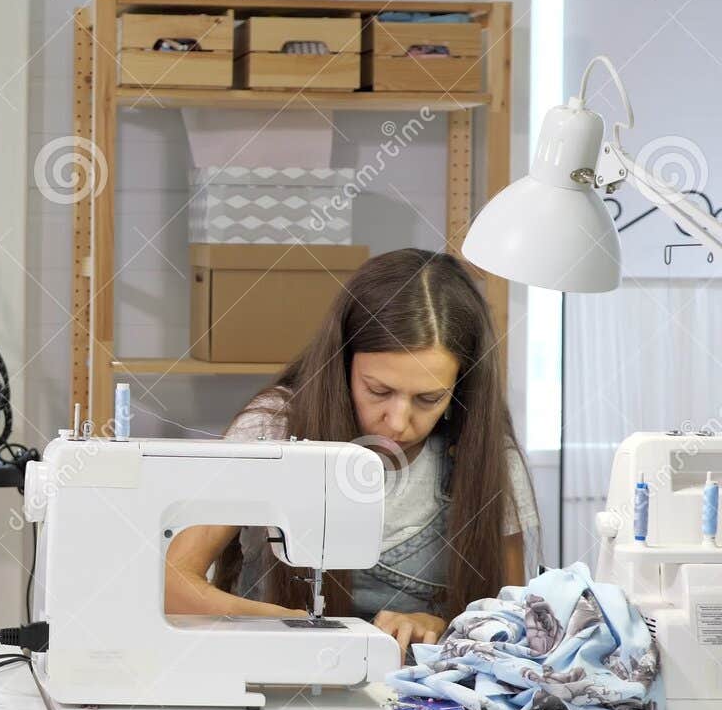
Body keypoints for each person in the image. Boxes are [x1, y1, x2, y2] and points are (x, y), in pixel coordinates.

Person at [164, 248, 540, 656]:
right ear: (342, 365)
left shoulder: (489, 459)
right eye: (378, 391)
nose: (397, 422)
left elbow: (513, 624)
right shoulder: (271, 429)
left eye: (428, 398)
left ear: (460, 387)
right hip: (274, 674)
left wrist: (443, 628)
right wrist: (296, 629)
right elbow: (173, 585)